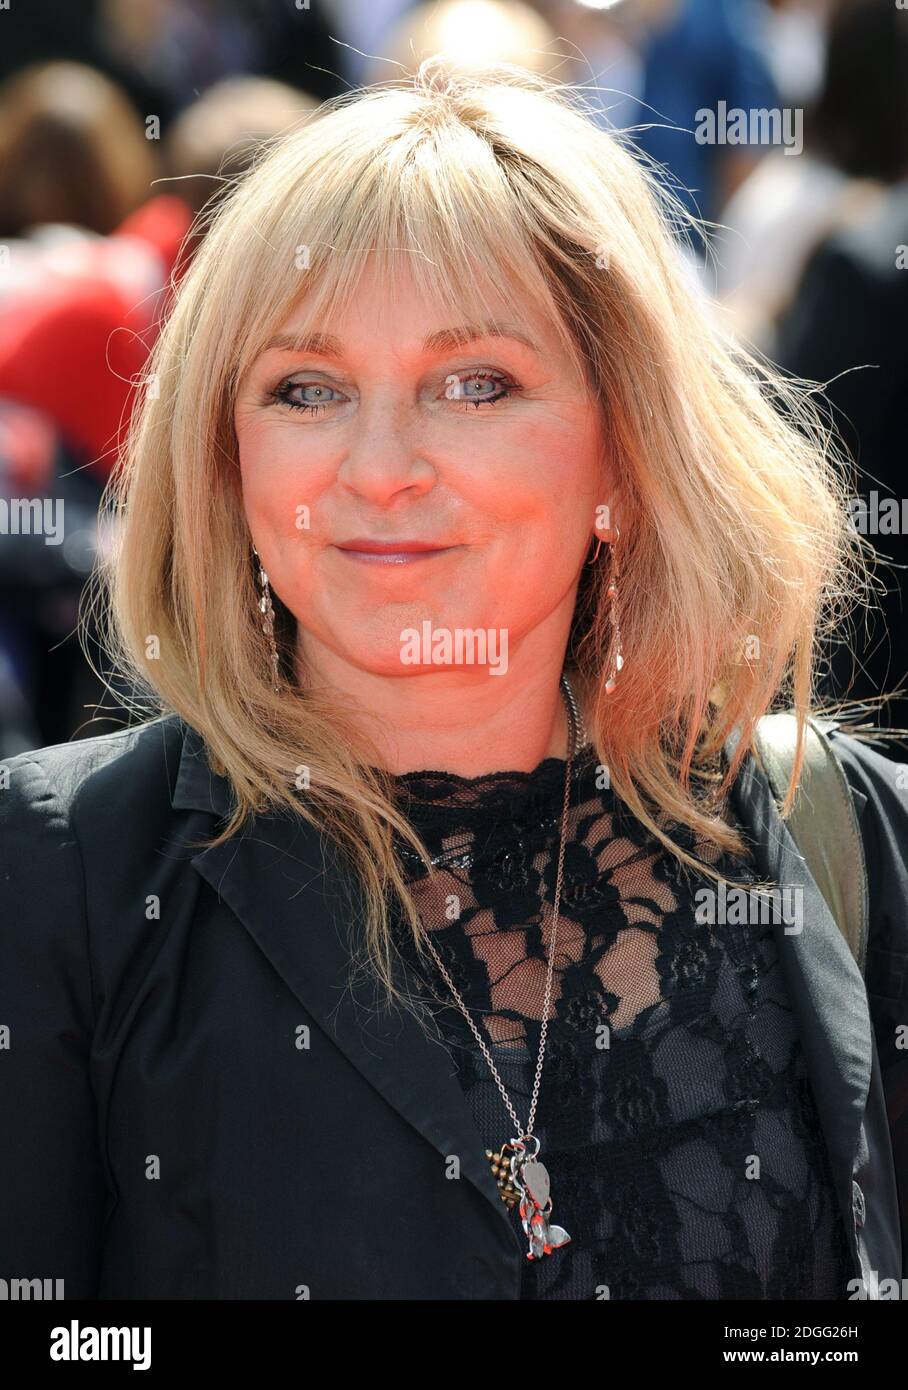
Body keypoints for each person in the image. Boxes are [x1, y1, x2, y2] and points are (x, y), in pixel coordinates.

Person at [0, 60, 906, 1301]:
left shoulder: (846, 842)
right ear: (229, 457)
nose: (379, 467)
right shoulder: (64, 877)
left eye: (473, 383)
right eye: (305, 389)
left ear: (623, 447)